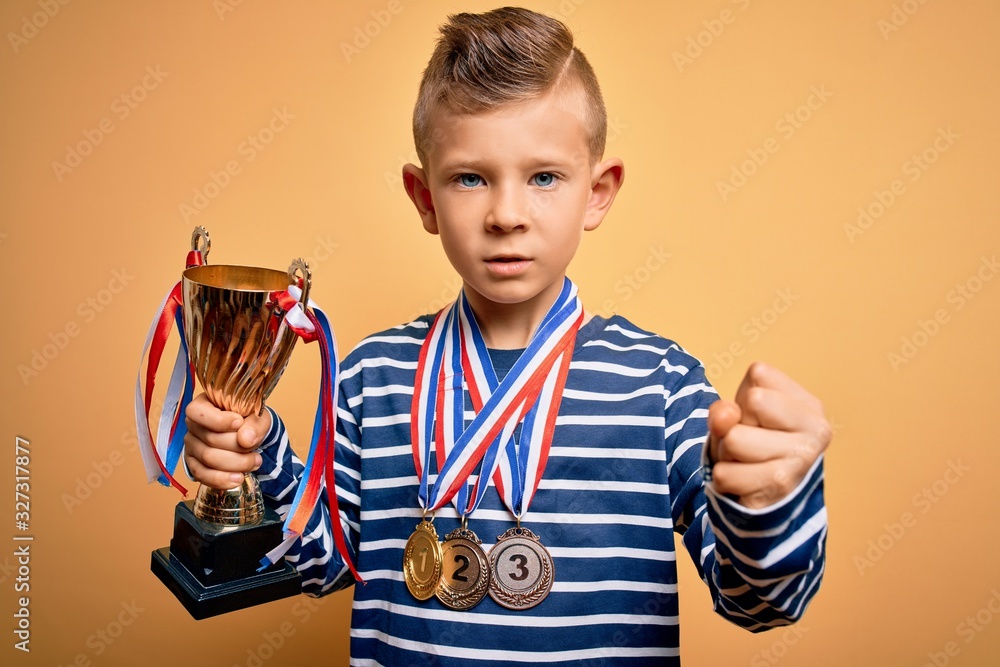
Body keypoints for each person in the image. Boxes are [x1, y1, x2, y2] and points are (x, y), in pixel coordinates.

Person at [184, 7, 830, 664]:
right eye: (471, 177)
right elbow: (316, 562)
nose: (507, 215)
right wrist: (250, 456)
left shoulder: (660, 382)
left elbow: (760, 600)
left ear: (598, 192)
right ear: (424, 197)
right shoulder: (370, 376)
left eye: (544, 176)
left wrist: (770, 501)